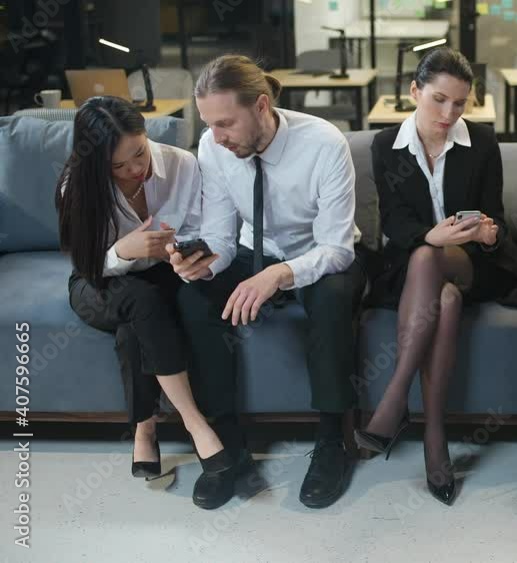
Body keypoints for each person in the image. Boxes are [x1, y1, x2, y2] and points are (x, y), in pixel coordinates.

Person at [168, 55, 366, 510]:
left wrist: (277, 275)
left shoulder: (323, 143)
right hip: (251, 252)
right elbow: (221, 235)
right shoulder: (213, 146)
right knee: (193, 297)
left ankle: (332, 441)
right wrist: (202, 265)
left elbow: (337, 248)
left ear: (260, 106)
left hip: (318, 255)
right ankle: (228, 449)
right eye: (209, 125)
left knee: (333, 297)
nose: (216, 137)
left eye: (225, 124)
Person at [359, 47, 517, 505]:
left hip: (472, 263)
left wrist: (489, 233)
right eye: (439, 99)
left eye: (460, 103)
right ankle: (435, 438)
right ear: (414, 91)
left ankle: (394, 400)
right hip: (411, 267)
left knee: (430, 259)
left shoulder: (481, 143)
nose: (449, 112)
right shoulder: (386, 146)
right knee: (442, 291)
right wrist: (431, 236)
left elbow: (493, 219)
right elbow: (396, 227)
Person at [54, 96, 232, 482]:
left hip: (160, 280)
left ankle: (145, 430)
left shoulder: (183, 166)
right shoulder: (78, 186)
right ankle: (195, 423)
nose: (135, 169)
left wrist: (185, 255)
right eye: (118, 165)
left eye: (139, 153)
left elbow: (204, 231)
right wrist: (121, 251)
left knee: (136, 321)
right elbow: (85, 264)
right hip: (97, 281)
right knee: (140, 299)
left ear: (145, 133)